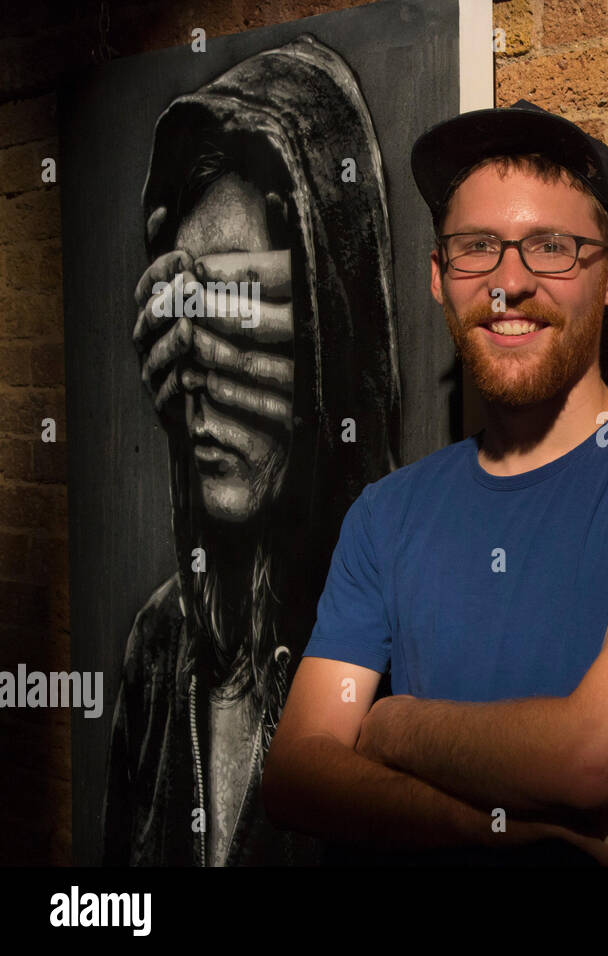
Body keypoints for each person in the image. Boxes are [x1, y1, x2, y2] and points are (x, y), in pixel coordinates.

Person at [260, 100, 608, 866]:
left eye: (552, 247)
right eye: (477, 248)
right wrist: (499, 829)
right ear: (438, 276)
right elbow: (296, 774)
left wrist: (390, 728)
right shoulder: (387, 512)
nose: (507, 283)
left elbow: (593, 757)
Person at [102, 35, 401, 866]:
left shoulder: (397, 659)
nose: (207, 379)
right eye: (183, 322)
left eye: (241, 311)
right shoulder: (158, 651)